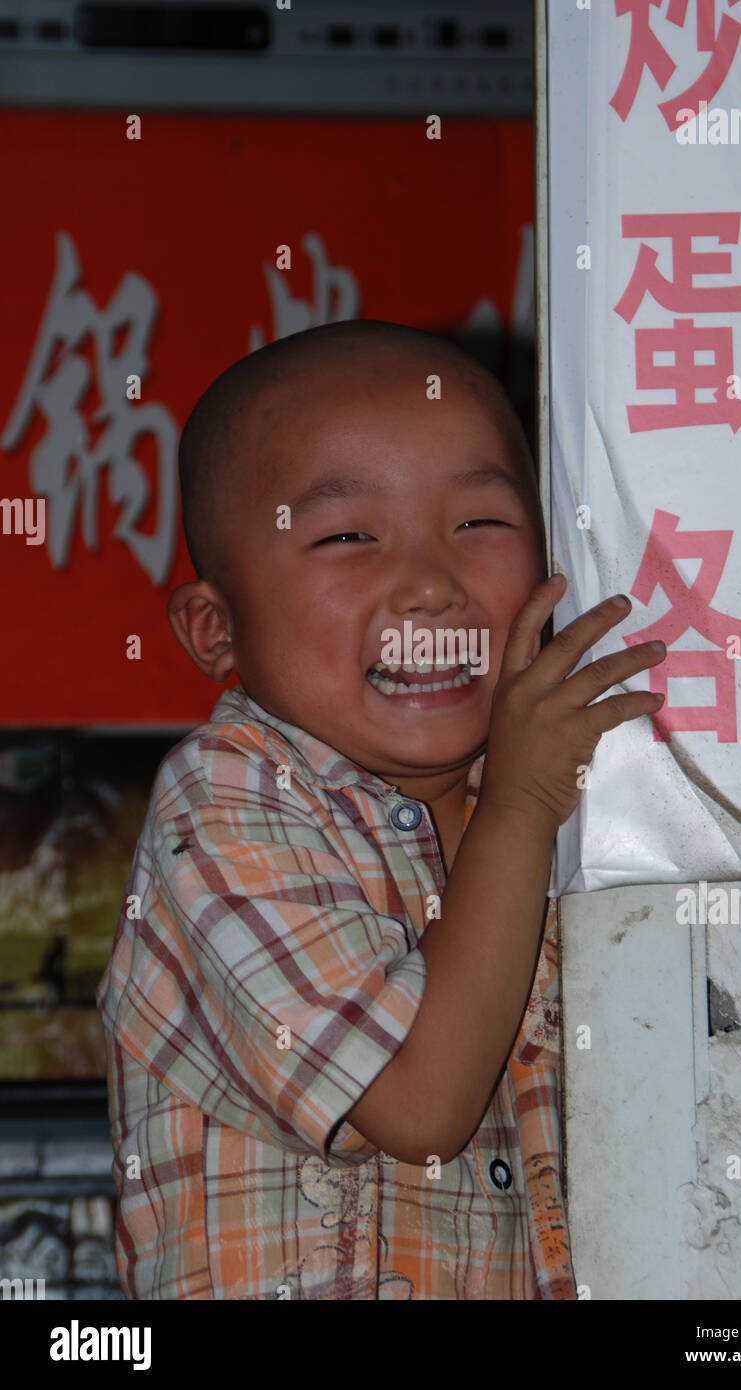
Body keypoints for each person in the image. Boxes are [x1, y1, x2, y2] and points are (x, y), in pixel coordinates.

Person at [96, 319, 666, 1299]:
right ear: (214, 627)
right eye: (348, 536)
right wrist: (526, 800)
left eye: (480, 523)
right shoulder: (226, 797)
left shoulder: (579, 799)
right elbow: (419, 1099)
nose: (431, 585)